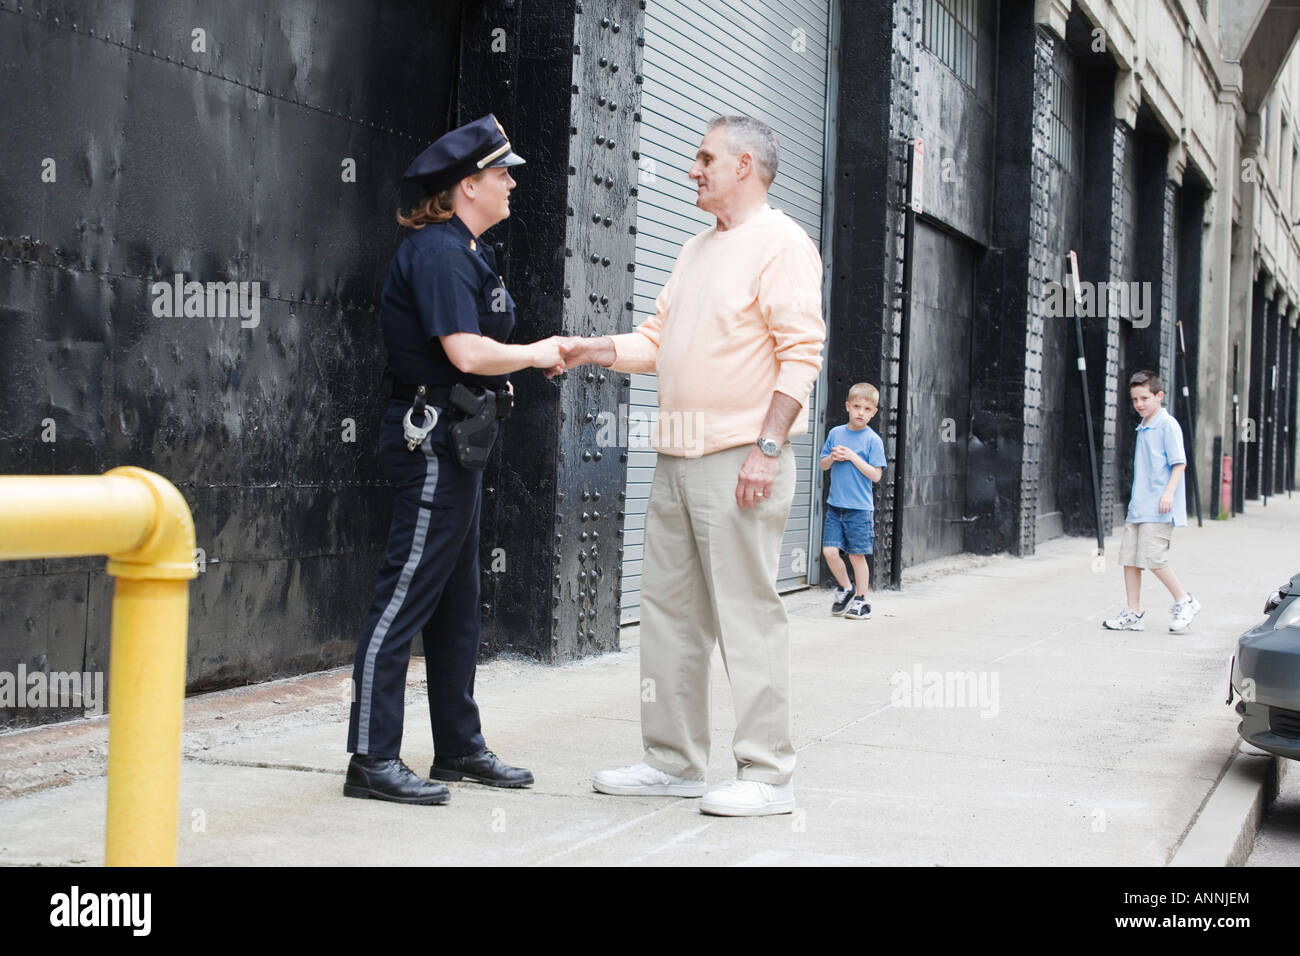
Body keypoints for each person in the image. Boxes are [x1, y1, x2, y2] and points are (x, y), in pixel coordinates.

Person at [558, 115, 825, 816]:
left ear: (745, 166)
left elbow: (802, 354)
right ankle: (673, 761)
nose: (692, 169)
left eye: (705, 158)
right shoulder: (696, 248)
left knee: (748, 616)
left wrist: (768, 449)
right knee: (670, 617)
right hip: (677, 456)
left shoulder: (783, 245)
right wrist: (593, 349)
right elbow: (657, 339)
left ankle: (768, 775)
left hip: (741, 457)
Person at [344, 114, 562, 804]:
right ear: (469, 186)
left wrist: (521, 362)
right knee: (404, 596)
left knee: (457, 604)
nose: (511, 185)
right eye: (502, 174)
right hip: (431, 439)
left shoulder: (469, 250)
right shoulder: (439, 252)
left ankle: (458, 748)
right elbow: (465, 353)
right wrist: (534, 353)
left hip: (459, 438)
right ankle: (371, 758)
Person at [1102, 370, 1201, 633]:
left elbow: (1179, 464)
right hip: (1139, 506)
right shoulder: (1143, 426)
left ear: (1159, 396)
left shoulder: (1167, 425)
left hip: (1159, 507)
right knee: (1130, 558)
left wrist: (1168, 493)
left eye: (1144, 398)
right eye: (1135, 400)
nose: (1139, 404)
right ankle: (1133, 612)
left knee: (1154, 558)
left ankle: (1185, 600)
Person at [819, 382, 887, 620]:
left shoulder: (873, 440)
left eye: (867, 409)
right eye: (856, 406)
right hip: (835, 506)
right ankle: (846, 588)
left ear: (873, 413)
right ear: (848, 406)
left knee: (857, 555)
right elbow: (822, 464)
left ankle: (862, 600)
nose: (860, 412)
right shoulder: (836, 433)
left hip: (859, 509)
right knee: (829, 551)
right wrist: (832, 457)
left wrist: (852, 457)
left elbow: (876, 475)